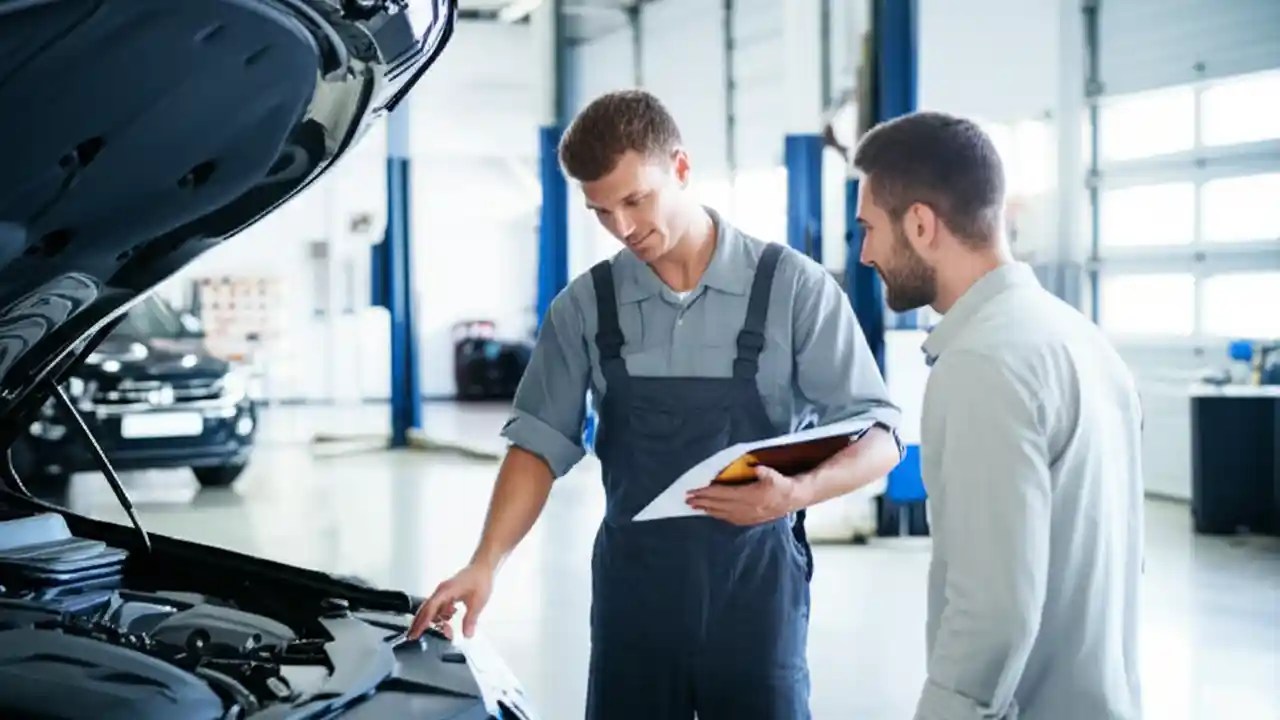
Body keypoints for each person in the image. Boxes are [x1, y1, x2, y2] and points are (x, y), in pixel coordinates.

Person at [407, 89, 903, 719]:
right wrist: (486, 563)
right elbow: (536, 445)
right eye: (601, 211)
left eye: (635, 199)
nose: (622, 227)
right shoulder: (586, 306)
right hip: (634, 604)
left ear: (682, 168)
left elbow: (880, 437)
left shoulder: (793, 289)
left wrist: (796, 494)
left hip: (755, 601)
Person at [853, 111, 1145, 720]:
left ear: (921, 224)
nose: (864, 253)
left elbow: (992, 610)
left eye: (870, 228)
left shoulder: (983, 364)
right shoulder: (1080, 339)